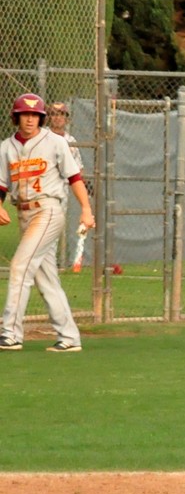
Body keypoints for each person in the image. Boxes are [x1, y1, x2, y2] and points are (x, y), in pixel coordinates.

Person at [0, 93, 95, 351]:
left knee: (20, 265)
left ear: (41, 118)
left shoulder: (55, 142)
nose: (30, 120)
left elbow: (75, 177)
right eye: (25, 114)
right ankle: (69, 337)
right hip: (24, 214)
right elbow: (1, 184)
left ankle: (10, 332)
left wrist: (86, 209)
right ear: (16, 117)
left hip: (49, 210)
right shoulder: (6, 147)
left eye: (34, 115)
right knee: (45, 277)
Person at [46, 102, 90, 270]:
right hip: (44, 187)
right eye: (54, 114)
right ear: (49, 117)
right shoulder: (43, 136)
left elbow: (78, 168)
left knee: (55, 227)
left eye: (61, 114)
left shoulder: (71, 141)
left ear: (66, 118)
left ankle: (48, 263)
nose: (58, 117)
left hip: (62, 189)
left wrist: (85, 189)